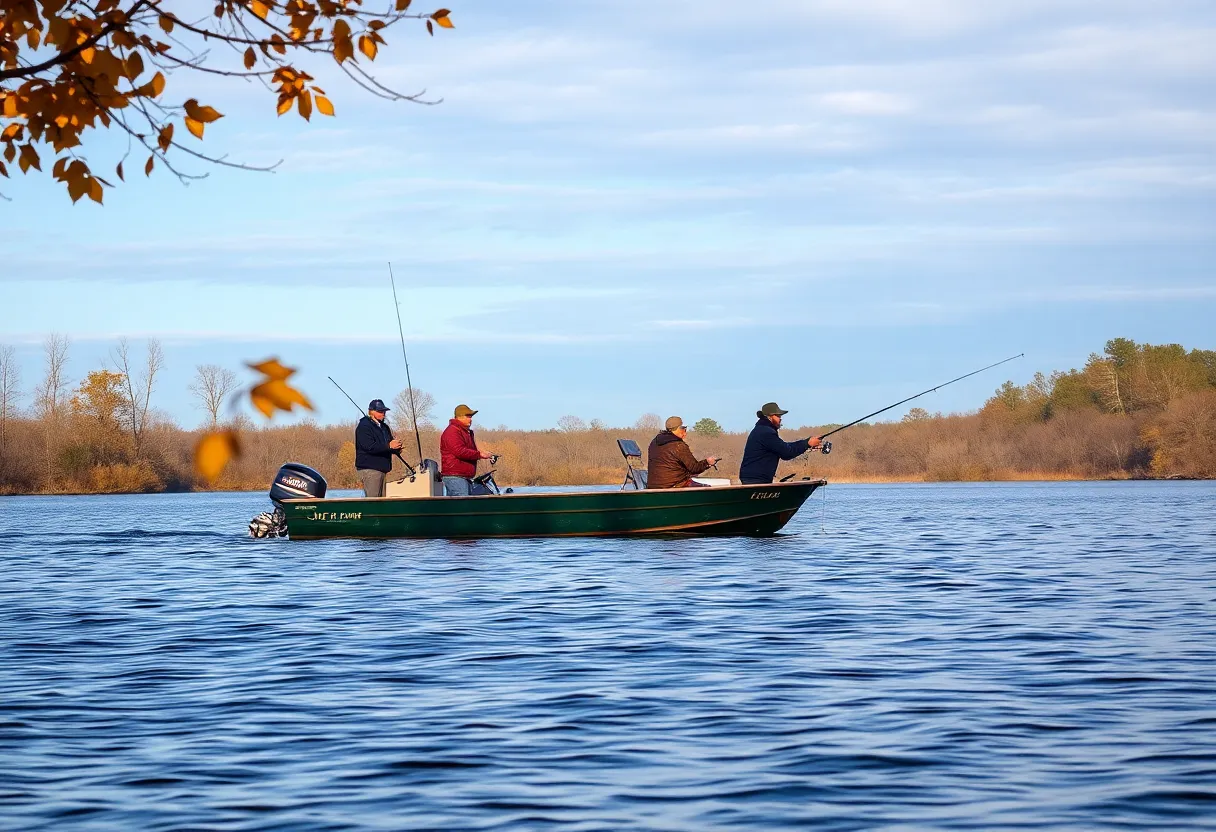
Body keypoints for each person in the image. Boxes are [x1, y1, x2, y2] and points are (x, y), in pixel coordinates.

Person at [739, 402, 822, 484]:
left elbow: (783, 446)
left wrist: (807, 443)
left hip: (755, 478)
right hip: (755, 480)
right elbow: (786, 452)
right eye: (778, 416)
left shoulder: (761, 429)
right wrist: (807, 443)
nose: (780, 418)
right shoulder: (766, 432)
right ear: (769, 417)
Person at [646, 416, 720, 489]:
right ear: (679, 428)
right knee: (708, 488)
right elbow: (694, 468)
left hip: (653, 487)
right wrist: (707, 462)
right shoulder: (679, 446)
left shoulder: (654, 442)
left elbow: (671, 466)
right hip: (674, 486)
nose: (685, 431)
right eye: (683, 428)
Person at [355, 398, 404, 497]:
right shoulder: (364, 426)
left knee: (381, 502)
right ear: (371, 412)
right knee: (373, 502)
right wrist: (389, 446)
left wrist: (396, 448)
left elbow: (388, 445)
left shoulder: (385, 427)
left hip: (383, 468)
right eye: (380, 411)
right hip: (370, 469)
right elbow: (369, 447)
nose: (383, 414)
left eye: (384, 411)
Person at [440, 403, 493, 496]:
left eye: (471, 416)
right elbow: (459, 451)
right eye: (468, 416)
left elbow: (465, 451)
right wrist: (479, 454)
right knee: (461, 507)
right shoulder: (452, 431)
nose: (471, 419)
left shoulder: (464, 432)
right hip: (455, 477)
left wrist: (479, 453)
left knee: (463, 507)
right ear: (459, 417)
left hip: (463, 478)